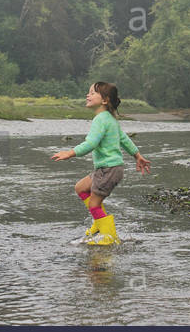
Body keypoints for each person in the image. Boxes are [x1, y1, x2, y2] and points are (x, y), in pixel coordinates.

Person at [51, 81, 151, 245]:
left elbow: (91, 143)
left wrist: (70, 153)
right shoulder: (109, 118)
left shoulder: (101, 120)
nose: (87, 95)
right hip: (110, 169)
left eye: (92, 93)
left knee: (94, 203)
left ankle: (108, 236)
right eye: (88, 92)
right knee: (80, 188)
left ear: (104, 100)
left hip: (108, 169)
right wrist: (137, 156)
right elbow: (124, 139)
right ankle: (99, 224)